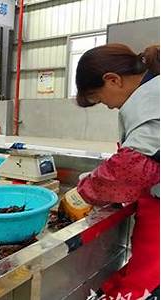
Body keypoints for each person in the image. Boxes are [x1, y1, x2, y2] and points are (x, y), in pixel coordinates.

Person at [75, 44, 159, 299]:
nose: (108, 107)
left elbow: (130, 169)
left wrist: (84, 190)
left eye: (100, 99)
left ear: (112, 80)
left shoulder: (150, 100)